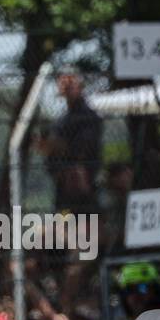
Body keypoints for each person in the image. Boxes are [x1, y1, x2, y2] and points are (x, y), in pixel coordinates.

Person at [35, 72, 102, 215]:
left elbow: (82, 147)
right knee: (61, 223)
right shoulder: (62, 120)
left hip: (81, 181)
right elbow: (49, 149)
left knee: (86, 226)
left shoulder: (88, 117)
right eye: (63, 82)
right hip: (64, 183)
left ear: (80, 86)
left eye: (71, 82)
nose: (66, 85)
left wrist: (57, 146)